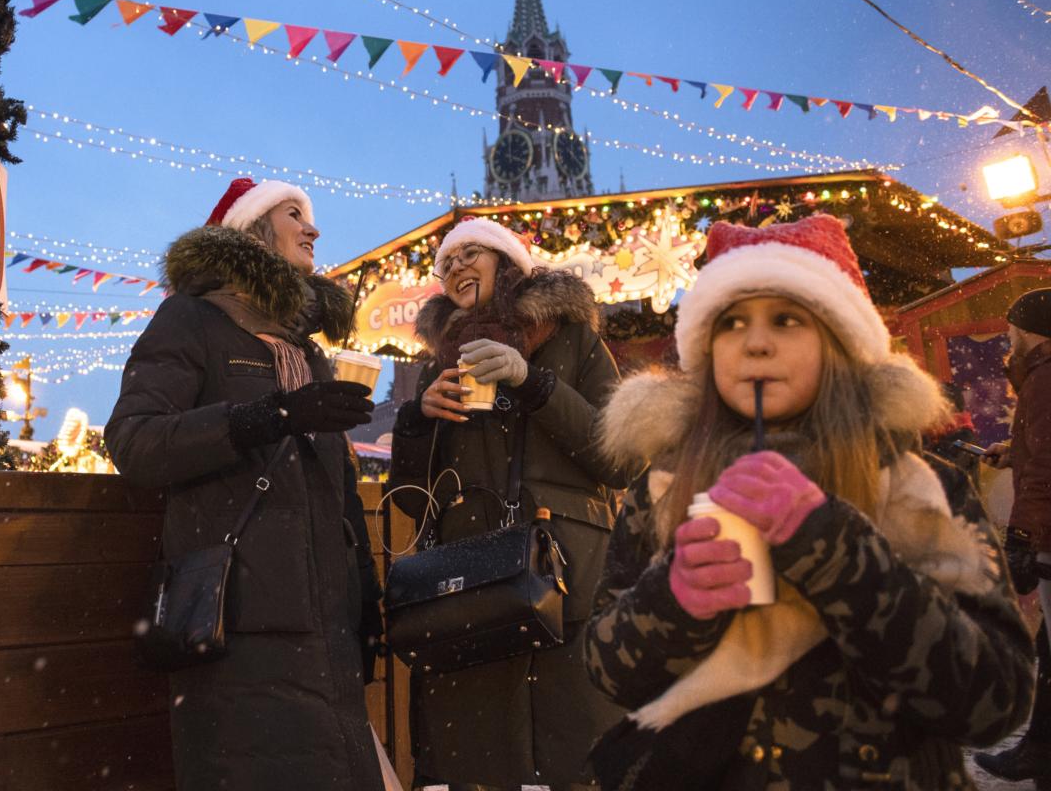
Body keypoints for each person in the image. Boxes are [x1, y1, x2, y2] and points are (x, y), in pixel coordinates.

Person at [583, 215, 1032, 789]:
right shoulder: (665, 487)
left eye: (788, 319)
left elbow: (995, 701)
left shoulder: (919, 484)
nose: (756, 341)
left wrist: (837, 553)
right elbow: (607, 670)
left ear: (838, 341)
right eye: (731, 323)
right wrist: (674, 599)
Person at [105, 178, 383, 791]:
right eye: (295, 214)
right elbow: (135, 442)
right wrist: (275, 416)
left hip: (326, 626)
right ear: (254, 230)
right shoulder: (192, 319)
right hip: (237, 624)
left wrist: (365, 596)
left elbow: (335, 486)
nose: (313, 229)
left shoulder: (304, 349)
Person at [388, 217, 629, 790]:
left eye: (471, 253)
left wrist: (534, 384)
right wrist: (418, 419)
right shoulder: (439, 362)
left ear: (507, 262)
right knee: (477, 758)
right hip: (468, 587)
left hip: (566, 578)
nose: (455, 268)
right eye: (445, 263)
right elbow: (412, 503)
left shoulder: (572, 339)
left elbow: (620, 457)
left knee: (573, 748)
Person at [977, 286, 1051, 784]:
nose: (1007, 338)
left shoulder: (1045, 378)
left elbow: (1047, 466)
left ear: (1027, 332)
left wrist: (1022, 538)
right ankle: (1039, 749)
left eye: (1010, 330)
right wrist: (1012, 452)